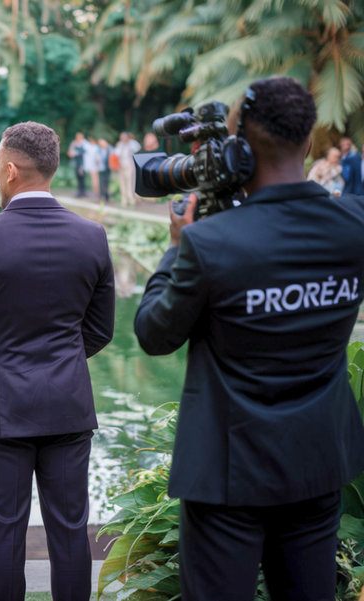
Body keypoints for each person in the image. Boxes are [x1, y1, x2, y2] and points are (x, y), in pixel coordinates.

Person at [135, 77, 364, 600]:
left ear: (239, 145)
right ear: (309, 142)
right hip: (318, 460)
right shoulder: (355, 222)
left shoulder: (209, 242)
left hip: (227, 472)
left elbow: (153, 333)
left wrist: (176, 246)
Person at [0, 121, 115, 601]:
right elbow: (101, 330)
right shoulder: (92, 236)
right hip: (68, 404)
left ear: (9, 170)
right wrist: (61, 358)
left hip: (3, 410)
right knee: (71, 530)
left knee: (4, 531)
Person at [115, 131, 141, 206]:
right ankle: (124, 200)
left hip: (129, 165)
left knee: (130, 183)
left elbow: (137, 148)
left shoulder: (132, 144)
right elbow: (117, 154)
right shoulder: (119, 145)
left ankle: (131, 199)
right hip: (121, 166)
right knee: (122, 183)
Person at [67, 132, 87, 198]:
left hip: (83, 163)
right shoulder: (74, 143)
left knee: (83, 178)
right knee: (78, 177)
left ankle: (83, 192)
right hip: (76, 163)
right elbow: (69, 153)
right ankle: (79, 191)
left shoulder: (84, 143)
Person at [95, 138, 113, 203]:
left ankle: (107, 197)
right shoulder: (98, 150)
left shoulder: (110, 149)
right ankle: (101, 197)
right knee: (101, 183)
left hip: (108, 168)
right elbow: (96, 159)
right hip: (101, 168)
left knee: (107, 183)